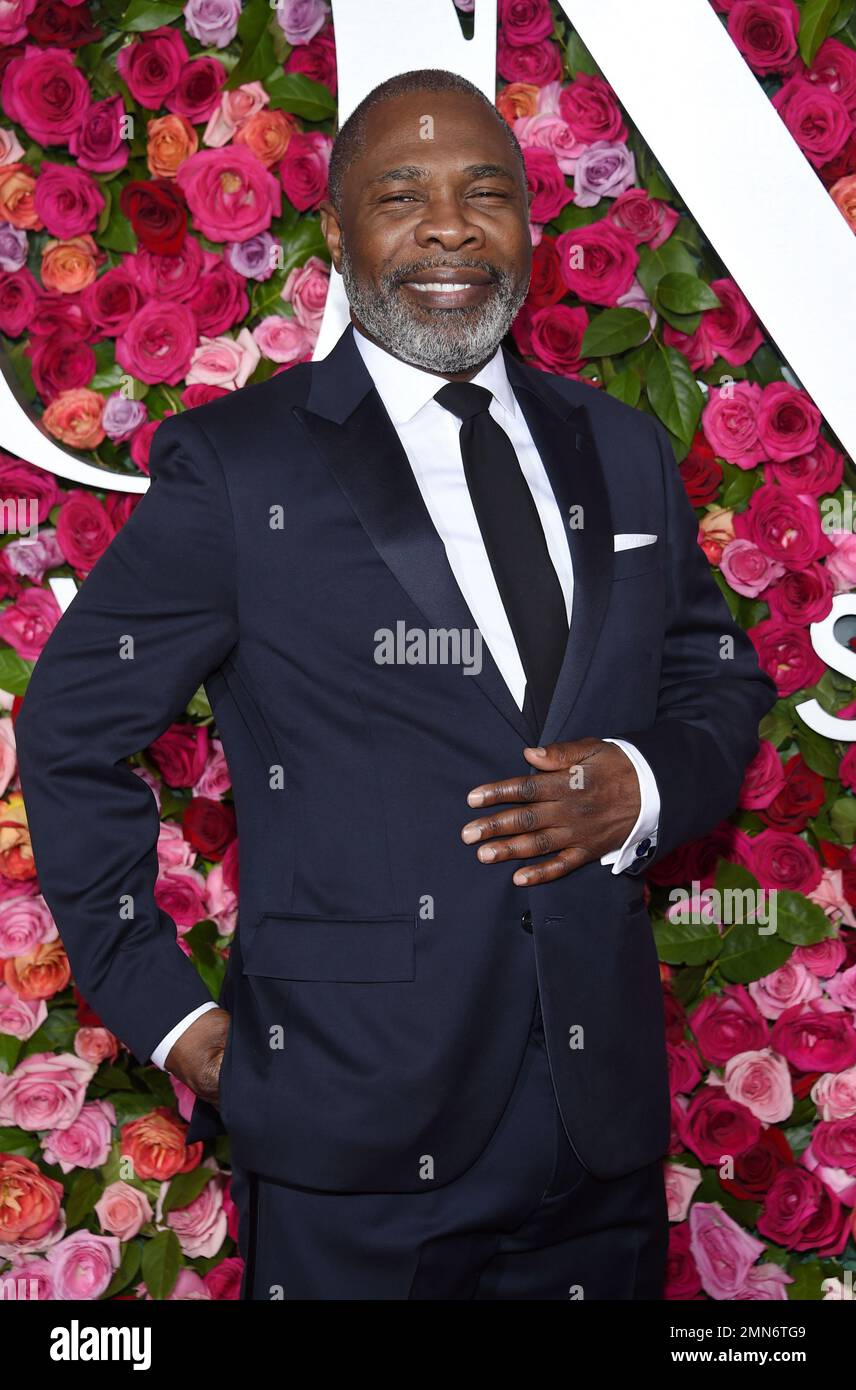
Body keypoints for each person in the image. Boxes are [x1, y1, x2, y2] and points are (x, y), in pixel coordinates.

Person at [15, 68, 779, 1300]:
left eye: (485, 191)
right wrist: (172, 1021)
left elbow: (711, 674)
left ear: (529, 223)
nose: (446, 225)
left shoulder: (620, 444)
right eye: (399, 193)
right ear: (335, 232)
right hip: (349, 1144)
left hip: (599, 1138)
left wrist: (636, 782)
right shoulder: (238, 466)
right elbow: (66, 731)